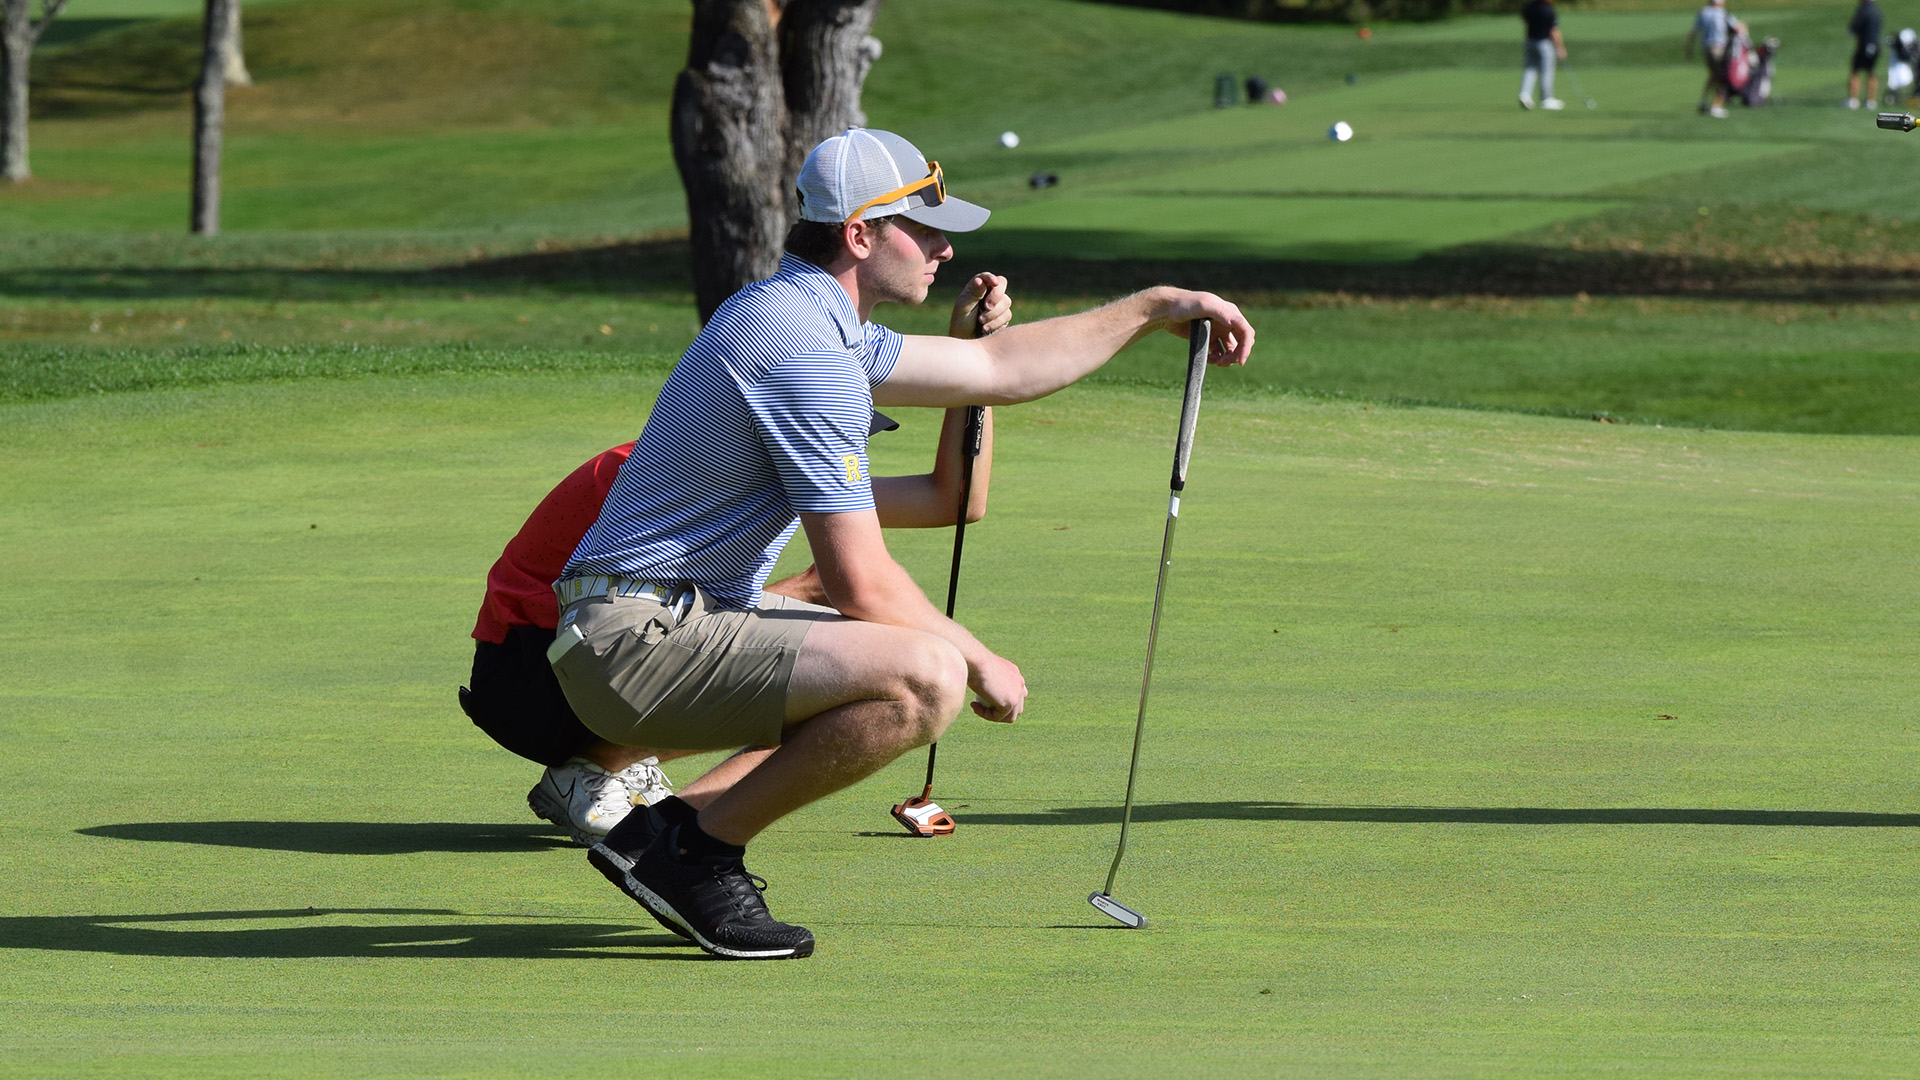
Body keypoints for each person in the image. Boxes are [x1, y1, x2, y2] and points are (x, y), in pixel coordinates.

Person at [551, 126, 1253, 960]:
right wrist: (979, 655)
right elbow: (860, 583)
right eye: (924, 230)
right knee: (925, 675)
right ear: (860, 234)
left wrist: (1153, 308)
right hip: (638, 642)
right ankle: (695, 850)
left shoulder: (810, 319)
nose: (945, 247)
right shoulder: (803, 347)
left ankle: (662, 837)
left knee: (906, 662)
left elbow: (997, 371)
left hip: (660, 624)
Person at [460, 274, 1010, 845]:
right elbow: (621, 606)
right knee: (835, 651)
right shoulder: (657, 470)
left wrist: (972, 365)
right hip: (531, 677)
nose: (841, 440)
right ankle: (606, 770)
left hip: (582, 664)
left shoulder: (784, 469)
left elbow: (955, 498)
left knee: (843, 656)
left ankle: (627, 783)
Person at [1687, 0, 1743, 118]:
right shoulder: (1722, 13)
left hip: (1707, 48)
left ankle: (1703, 102)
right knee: (1722, 77)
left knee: (1714, 75)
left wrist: (1689, 49)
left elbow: (1694, 32)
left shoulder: (1703, 12)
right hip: (1718, 48)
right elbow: (1737, 29)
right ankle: (1716, 106)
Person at [1519, 0, 1568, 111]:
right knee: (1547, 70)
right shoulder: (1548, 10)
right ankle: (1546, 99)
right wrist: (1560, 47)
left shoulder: (1530, 7)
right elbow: (1554, 31)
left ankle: (1525, 94)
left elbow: (1526, 21)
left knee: (1530, 69)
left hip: (1530, 41)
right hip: (1544, 44)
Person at [1849, 0, 1885, 109]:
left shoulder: (1863, 10)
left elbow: (1853, 27)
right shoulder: (1877, 11)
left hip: (1864, 45)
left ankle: (1853, 101)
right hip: (1875, 46)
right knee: (1871, 72)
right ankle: (1871, 101)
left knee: (1855, 72)